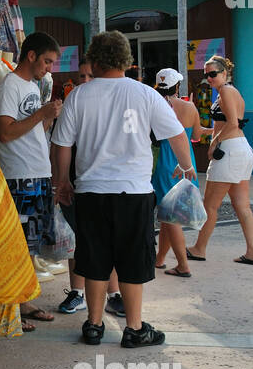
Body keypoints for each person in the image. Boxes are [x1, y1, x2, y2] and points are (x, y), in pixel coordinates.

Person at [51, 30, 196, 347]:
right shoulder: (144, 94)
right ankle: (134, 328)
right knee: (133, 259)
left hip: (90, 192)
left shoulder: (79, 95)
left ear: (95, 58)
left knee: (94, 259)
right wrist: (186, 167)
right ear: (126, 59)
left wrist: (62, 181)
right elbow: (177, 135)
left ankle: (93, 325)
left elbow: (62, 144)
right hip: (133, 192)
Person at [0, 31, 61, 326]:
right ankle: (13, 306)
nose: (49, 68)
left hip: (36, 172)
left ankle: (22, 300)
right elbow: (5, 132)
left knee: (30, 245)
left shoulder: (32, 86)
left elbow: (32, 130)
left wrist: (48, 117)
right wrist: (42, 114)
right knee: (19, 244)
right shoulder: (11, 86)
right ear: (31, 55)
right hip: (20, 176)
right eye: (46, 61)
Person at [54, 61, 122, 314]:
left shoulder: (110, 106)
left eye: (90, 75)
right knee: (77, 239)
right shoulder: (70, 106)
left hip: (104, 183)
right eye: (81, 75)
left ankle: (114, 294)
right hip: (74, 182)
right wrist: (60, 180)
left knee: (107, 241)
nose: (85, 80)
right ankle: (77, 292)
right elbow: (58, 146)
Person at [188, 55, 253, 263]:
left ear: (224, 73)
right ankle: (252, 252)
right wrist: (207, 131)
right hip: (240, 150)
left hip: (229, 150)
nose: (209, 78)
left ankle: (199, 249)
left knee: (210, 205)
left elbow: (233, 123)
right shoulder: (229, 92)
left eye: (213, 74)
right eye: (206, 74)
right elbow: (226, 124)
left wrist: (213, 143)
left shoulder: (227, 91)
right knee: (242, 205)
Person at [151, 67, 211, 276]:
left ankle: (178, 264)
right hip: (185, 163)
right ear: (177, 86)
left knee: (168, 216)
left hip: (162, 163)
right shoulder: (189, 107)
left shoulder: (155, 106)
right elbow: (196, 136)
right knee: (171, 217)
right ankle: (166, 261)